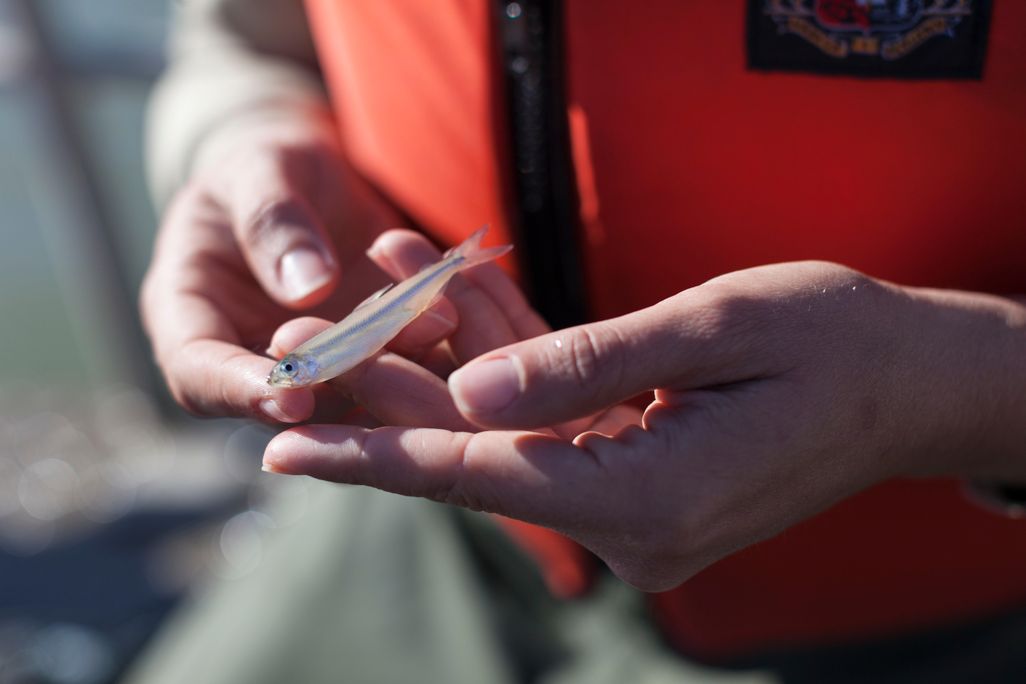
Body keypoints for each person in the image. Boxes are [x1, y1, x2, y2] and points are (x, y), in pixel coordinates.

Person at [130, 1, 1026, 681]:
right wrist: (241, 135)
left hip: (915, 610)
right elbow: (241, 36)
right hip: (429, 495)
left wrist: (944, 390)